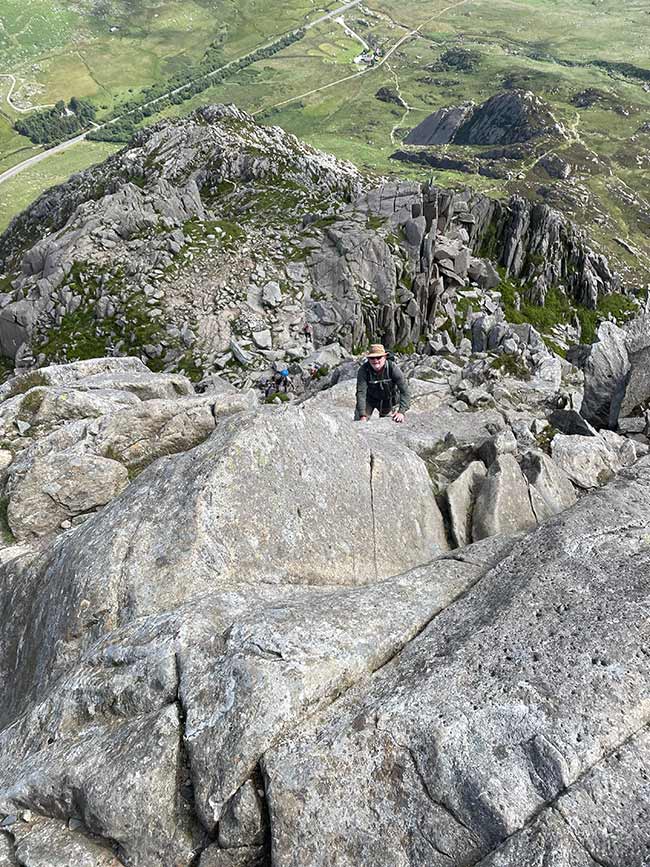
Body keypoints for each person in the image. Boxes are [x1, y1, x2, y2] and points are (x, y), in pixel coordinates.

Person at [355, 343, 410, 423]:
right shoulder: (363, 370)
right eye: (372, 358)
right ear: (368, 359)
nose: (375, 360)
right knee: (359, 421)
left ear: (385, 357)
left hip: (388, 401)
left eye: (378, 357)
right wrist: (362, 415)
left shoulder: (393, 368)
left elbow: (405, 391)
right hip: (369, 400)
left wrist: (401, 412)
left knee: (393, 424)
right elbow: (361, 393)